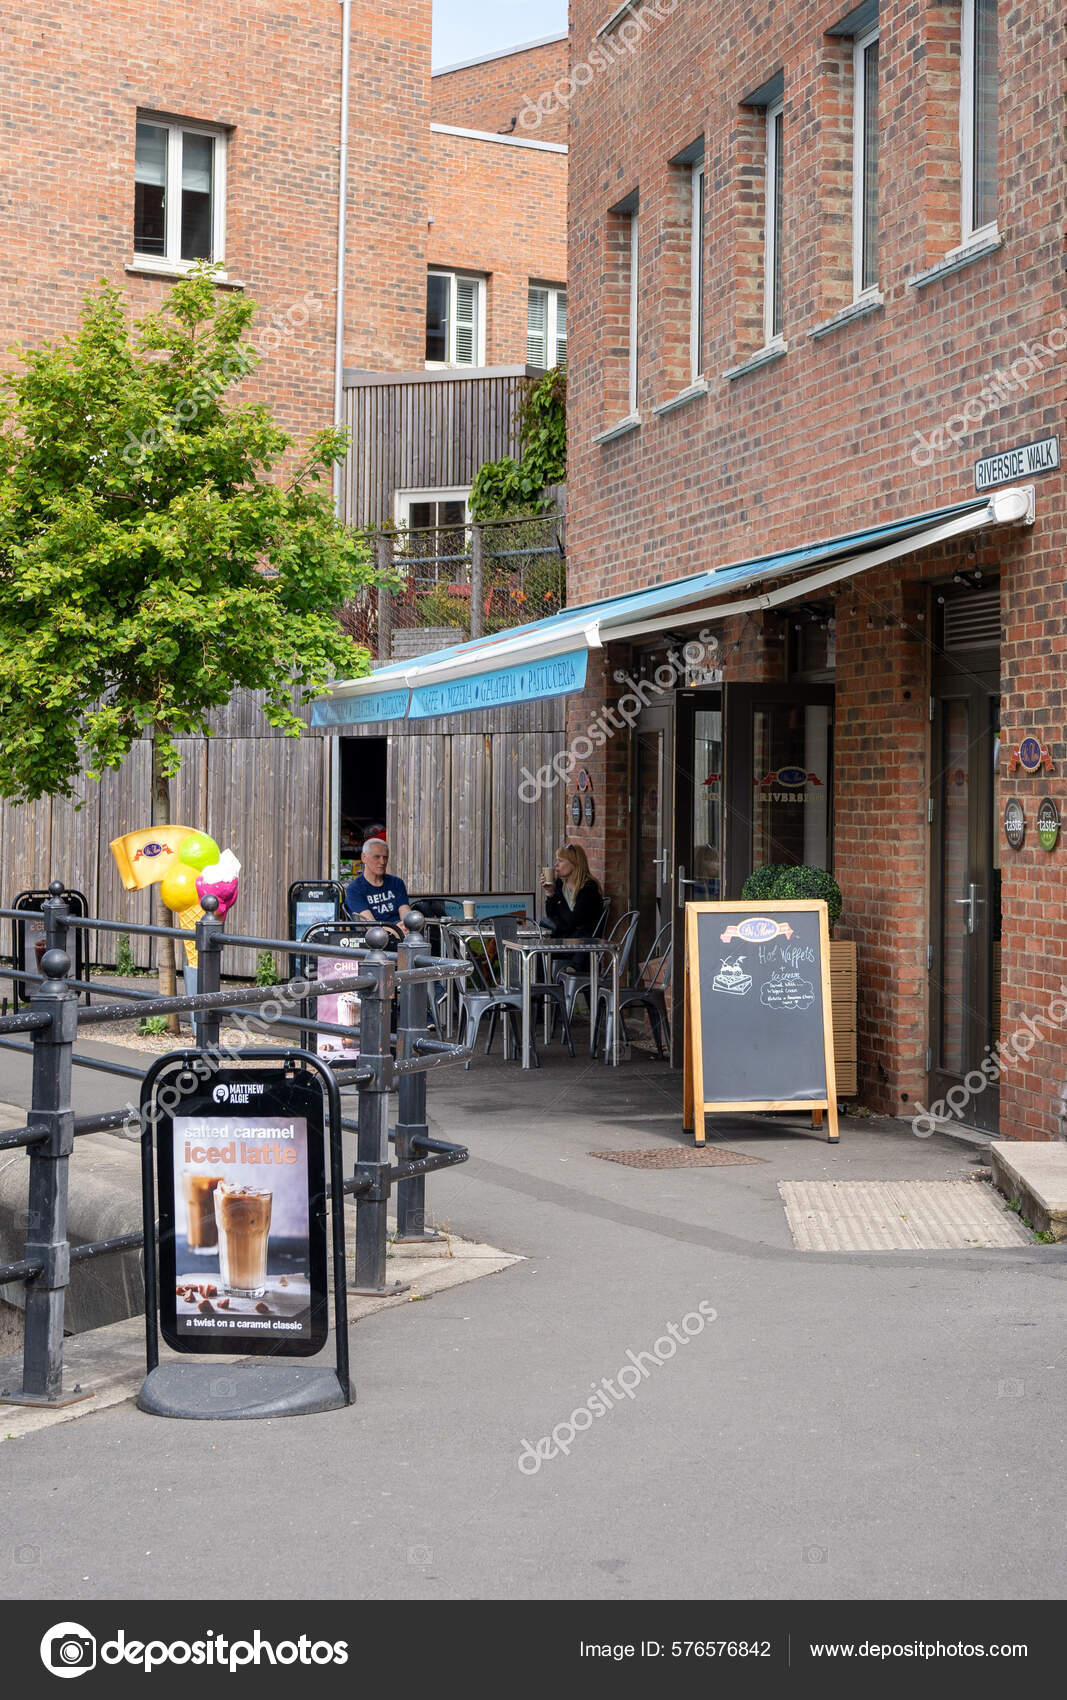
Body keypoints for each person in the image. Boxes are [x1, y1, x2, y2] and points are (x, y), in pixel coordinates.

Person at [542, 843, 605, 970]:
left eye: (560, 861)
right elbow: (552, 915)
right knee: (537, 951)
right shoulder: (560, 884)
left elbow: (573, 921)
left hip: (582, 946)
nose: (556, 865)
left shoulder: (589, 888)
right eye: (556, 860)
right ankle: (541, 982)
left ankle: (566, 974)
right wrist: (550, 893)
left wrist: (558, 899)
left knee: (541, 950)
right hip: (567, 939)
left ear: (574, 863)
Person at [344, 838, 412, 938]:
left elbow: (405, 913)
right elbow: (370, 924)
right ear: (364, 857)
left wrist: (407, 926)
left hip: (402, 935)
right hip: (374, 939)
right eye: (377, 857)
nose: (382, 862)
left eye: (385, 857)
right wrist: (395, 930)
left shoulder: (397, 883)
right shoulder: (354, 889)